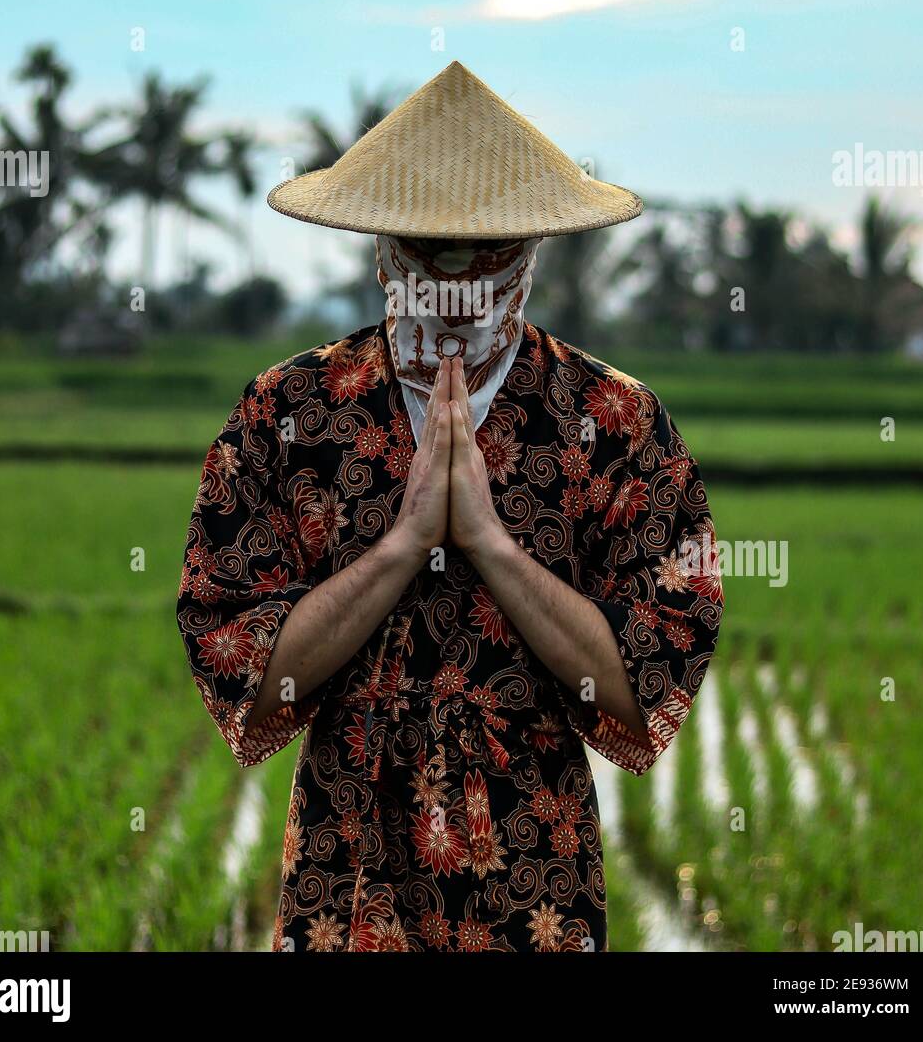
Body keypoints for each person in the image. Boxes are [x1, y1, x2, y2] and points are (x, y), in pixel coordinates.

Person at [176, 60, 723, 952]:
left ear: (534, 245)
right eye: (429, 253)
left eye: (487, 256)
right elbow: (250, 678)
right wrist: (401, 546)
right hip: (347, 882)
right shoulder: (289, 415)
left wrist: (491, 546)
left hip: (534, 882)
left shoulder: (613, 422)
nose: (457, 285)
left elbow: (640, 692)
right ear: (382, 244)